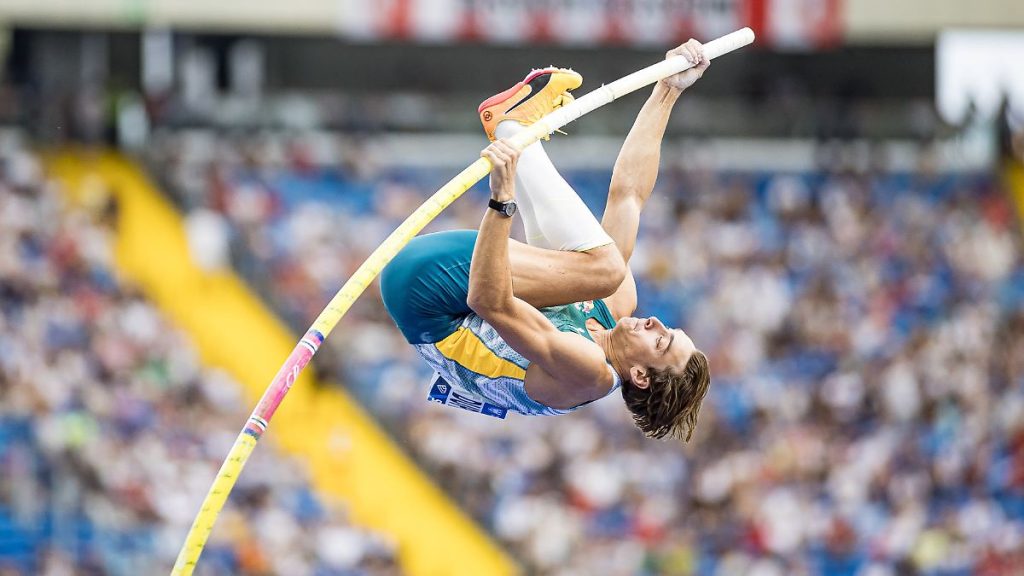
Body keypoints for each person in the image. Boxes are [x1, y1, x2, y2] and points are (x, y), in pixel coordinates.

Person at [381, 40, 712, 440]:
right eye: (669, 330)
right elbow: (628, 197)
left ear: (640, 376)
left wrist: (502, 202)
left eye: (661, 342)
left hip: (427, 297)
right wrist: (667, 89)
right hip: (455, 282)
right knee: (608, 268)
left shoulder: (588, 373)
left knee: (606, 269)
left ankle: (512, 126)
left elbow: (488, 301)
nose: (657, 323)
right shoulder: (616, 307)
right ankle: (517, 130)